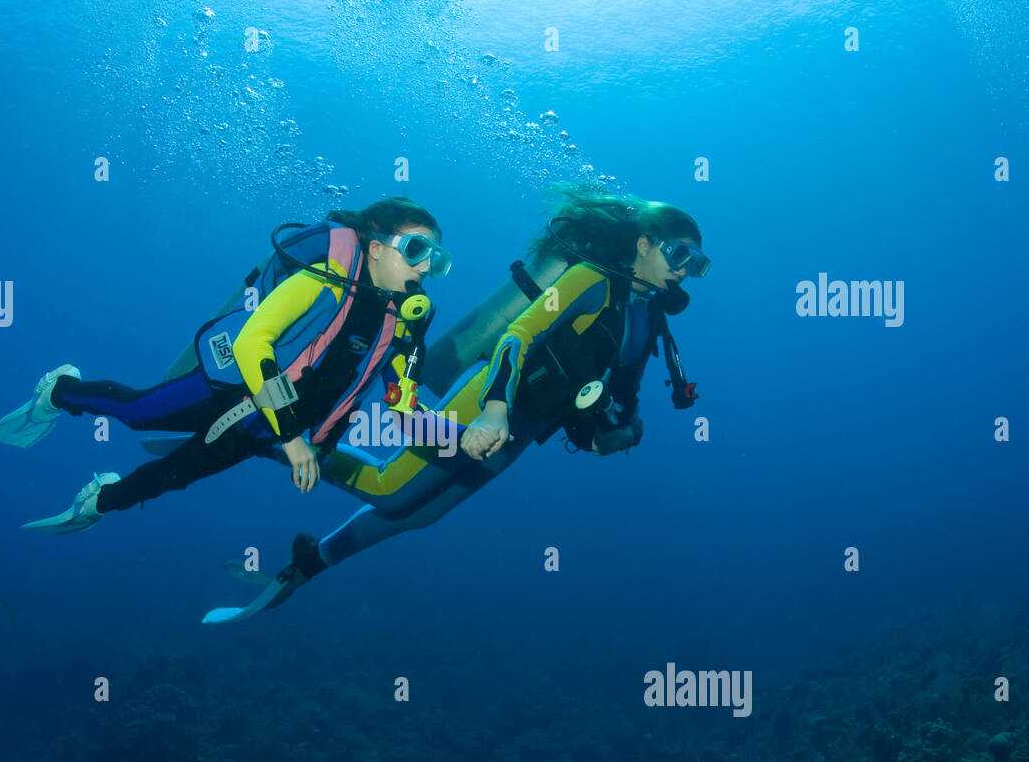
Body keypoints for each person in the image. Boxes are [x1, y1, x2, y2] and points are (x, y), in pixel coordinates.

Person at [203, 186, 707, 623]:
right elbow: (517, 335)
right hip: (490, 407)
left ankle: (308, 563)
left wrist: (613, 435)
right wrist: (493, 409)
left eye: (697, 264)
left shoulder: (648, 320)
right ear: (643, 244)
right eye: (679, 255)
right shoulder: (593, 280)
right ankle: (262, 437)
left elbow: (609, 400)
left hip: (524, 429)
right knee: (389, 490)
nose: (686, 272)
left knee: (422, 514)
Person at [0, 197, 451, 532]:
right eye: (415, 250)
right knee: (135, 413)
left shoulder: (406, 323)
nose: (427, 266)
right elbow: (253, 345)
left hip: (263, 427)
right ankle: (60, 390)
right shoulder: (323, 279)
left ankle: (99, 501)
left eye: (437, 259)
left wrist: (460, 437)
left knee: (173, 477)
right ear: (373, 248)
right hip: (227, 390)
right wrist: (292, 439)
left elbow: (404, 405)